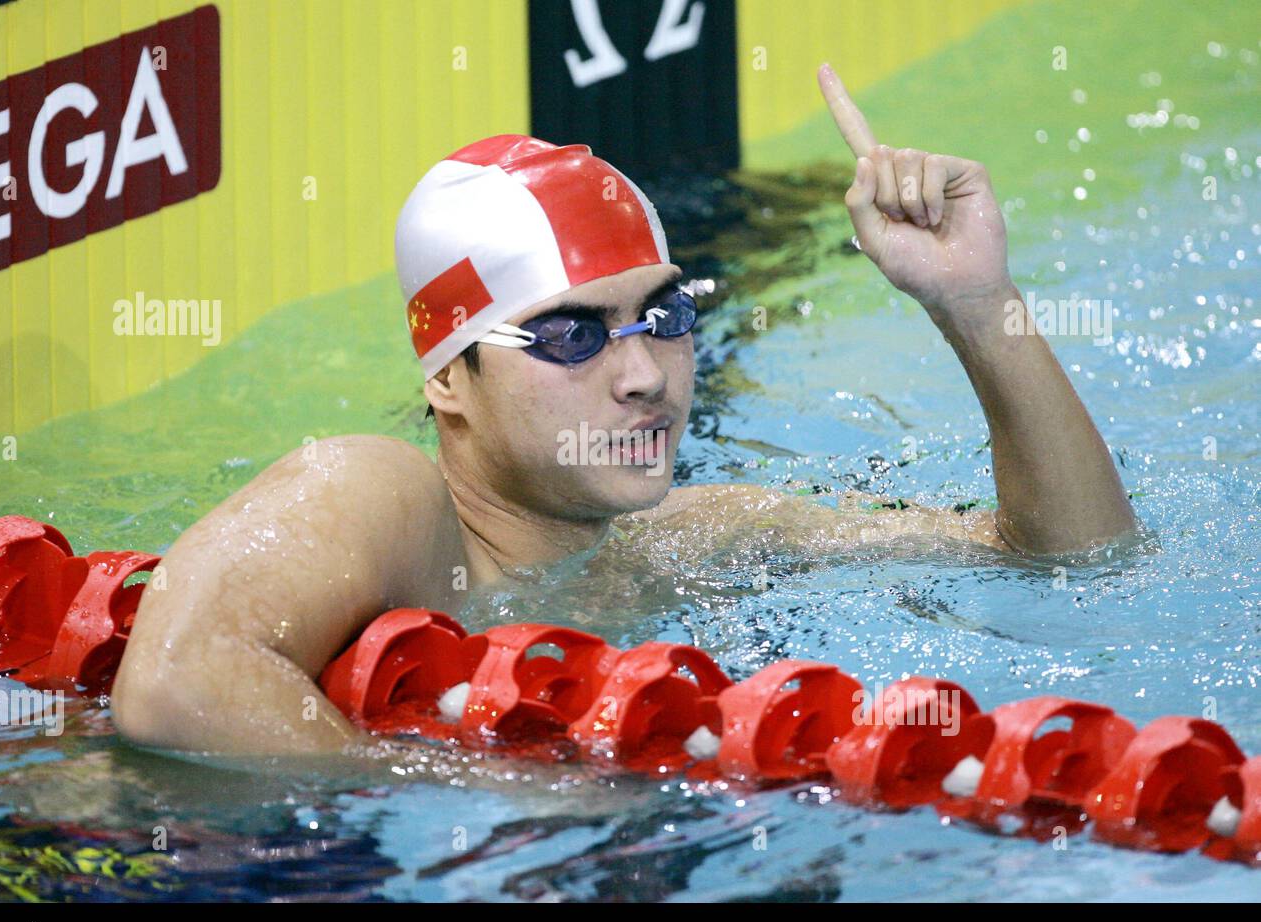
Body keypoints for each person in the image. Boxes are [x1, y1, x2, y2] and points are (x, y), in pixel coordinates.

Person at [112, 64, 1137, 755]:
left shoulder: (692, 540)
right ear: (444, 379)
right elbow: (178, 682)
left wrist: (977, 304)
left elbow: (1069, 560)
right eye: (569, 335)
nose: (645, 372)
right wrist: (448, 795)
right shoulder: (386, 499)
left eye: (664, 313)